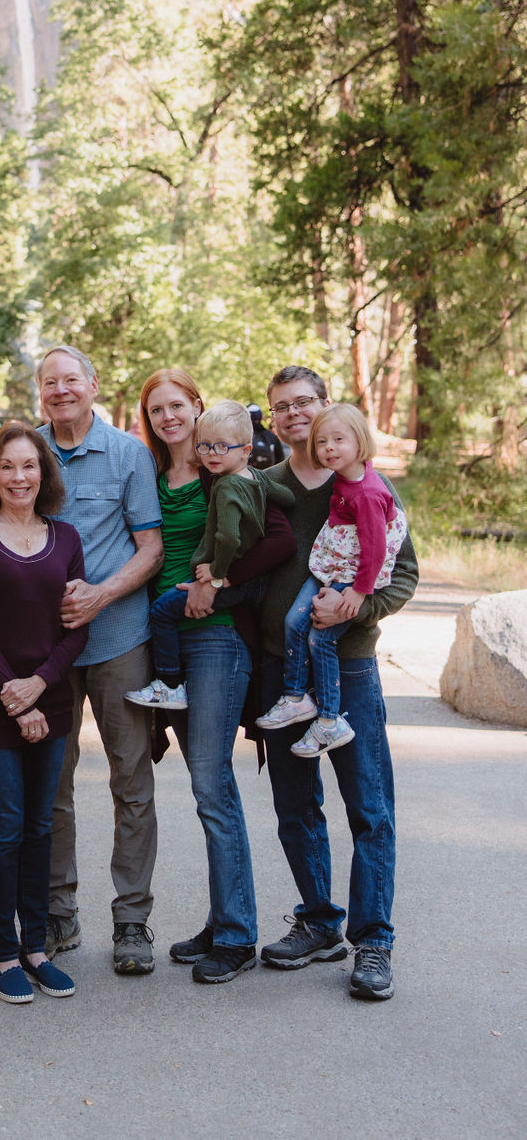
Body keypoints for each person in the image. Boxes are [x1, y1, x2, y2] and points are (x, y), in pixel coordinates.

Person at [257, 367, 418, 1002]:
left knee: (368, 805)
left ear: (329, 409)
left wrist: (357, 607)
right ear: (271, 420)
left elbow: (402, 575)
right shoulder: (265, 486)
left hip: (349, 667)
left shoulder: (371, 485)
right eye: (281, 407)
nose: (295, 415)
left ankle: (373, 939)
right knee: (295, 804)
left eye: (305, 403)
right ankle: (320, 922)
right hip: (281, 670)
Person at [135, 371, 296, 984]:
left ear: (198, 408)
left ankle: (235, 935)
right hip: (165, 641)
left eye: (178, 406)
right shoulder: (152, 477)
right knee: (207, 787)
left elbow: (278, 541)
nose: (169, 418)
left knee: (211, 785)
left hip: (215, 643)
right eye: (157, 409)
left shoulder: (223, 470)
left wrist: (215, 587)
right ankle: (223, 917)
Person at [35, 345, 164, 976]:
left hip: (119, 638)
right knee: (52, 782)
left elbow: (152, 547)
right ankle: (60, 911)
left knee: (130, 779)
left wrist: (103, 593)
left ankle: (132, 920)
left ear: (92, 385)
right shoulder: (24, 453)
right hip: (47, 647)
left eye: (70, 380)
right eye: (48, 382)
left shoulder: (129, 454)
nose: (60, 391)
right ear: (40, 392)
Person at [0, 423, 89, 1004]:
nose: (19, 477)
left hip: (51, 699)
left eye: (29, 465)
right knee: (5, 827)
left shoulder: (67, 537)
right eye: (7, 467)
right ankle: (4, 955)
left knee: (40, 827)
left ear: (44, 473)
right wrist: (13, 690)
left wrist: (39, 686)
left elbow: (77, 626)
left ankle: (38, 948)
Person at [258, 403, 408, 757]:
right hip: (332, 567)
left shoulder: (369, 492)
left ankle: (329, 720)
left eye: (338, 439)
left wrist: (358, 595)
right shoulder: (345, 477)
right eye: (322, 442)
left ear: (359, 441)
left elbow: (375, 549)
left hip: (353, 578)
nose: (329, 448)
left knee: (318, 640)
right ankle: (296, 697)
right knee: (294, 620)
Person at [125, 399, 293, 710]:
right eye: (205, 447)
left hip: (221, 599)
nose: (212, 454)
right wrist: (260, 486)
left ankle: (170, 684)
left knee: (160, 612)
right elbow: (288, 497)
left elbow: (228, 536)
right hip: (236, 588)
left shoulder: (225, 486)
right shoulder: (255, 478)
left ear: (245, 449)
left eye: (220, 447)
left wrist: (217, 574)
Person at [247, 404, 284, 469]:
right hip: (270, 476)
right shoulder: (271, 436)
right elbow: (281, 460)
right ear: (261, 417)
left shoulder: (242, 437)